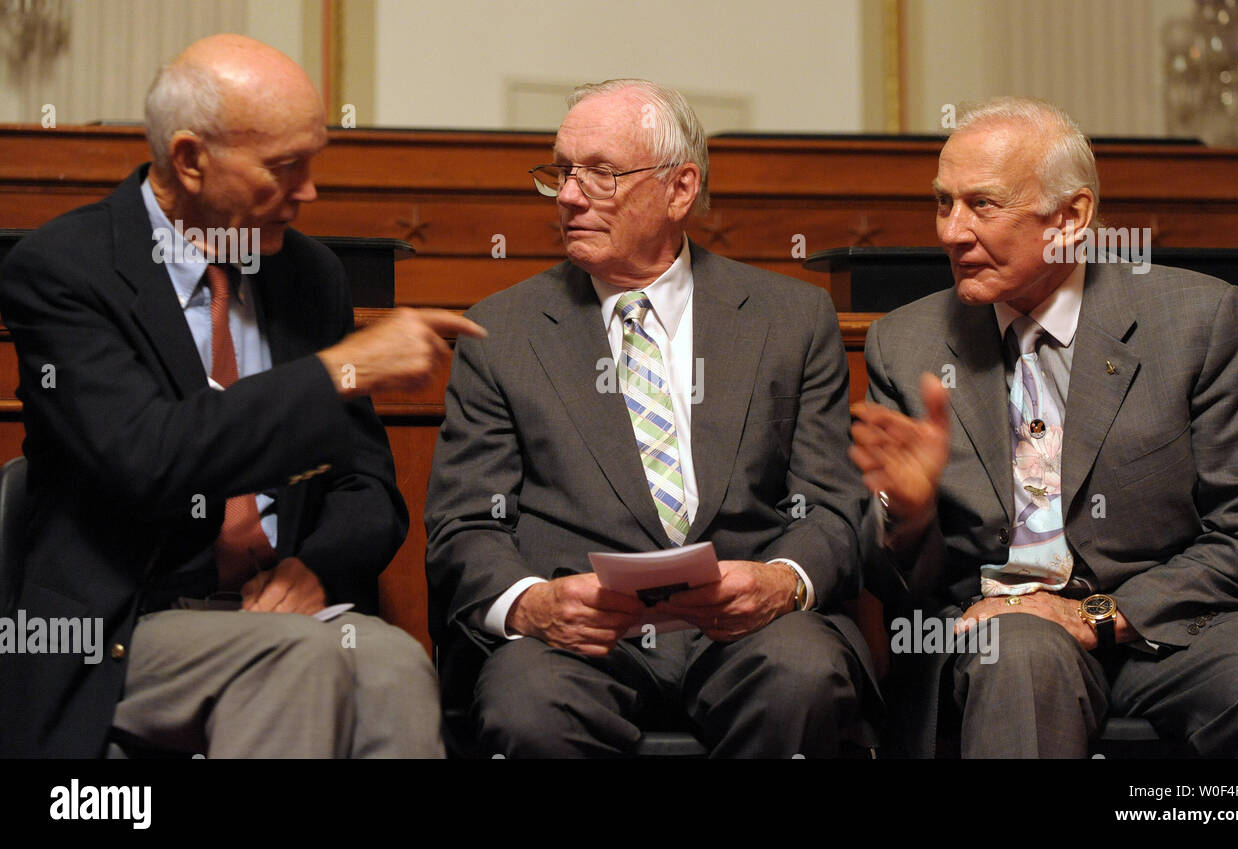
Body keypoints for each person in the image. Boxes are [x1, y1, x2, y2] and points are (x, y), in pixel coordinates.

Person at [0, 34, 484, 758]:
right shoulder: (65, 271)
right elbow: (149, 456)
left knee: (394, 667)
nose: (310, 191)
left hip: (280, 606)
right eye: (285, 168)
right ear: (191, 160)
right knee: (298, 658)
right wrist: (338, 370)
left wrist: (312, 567)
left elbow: (368, 491)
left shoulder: (308, 275)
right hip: (127, 621)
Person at [426, 79, 880, 757]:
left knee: (804, 675)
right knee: (525, 705)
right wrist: (532, 603)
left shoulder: (790, 320)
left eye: (601, 174)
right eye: (561, 172)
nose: (570, 196)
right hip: (577, 639)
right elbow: (464, 524)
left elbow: (834, 504)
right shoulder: (503, 330)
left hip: (746, 626)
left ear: (680, 189)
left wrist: (783, 581)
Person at [851, 96, 1238, 757]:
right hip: (1007, 627)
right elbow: (896, 584)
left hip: (1177, 622)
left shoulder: (1197, 321)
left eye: (983, 204)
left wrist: (1098, 616)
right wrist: (909, 513)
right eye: (943, 202)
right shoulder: (908, 344)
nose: (951, 230)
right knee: (1020, 658)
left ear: (1072, 216)